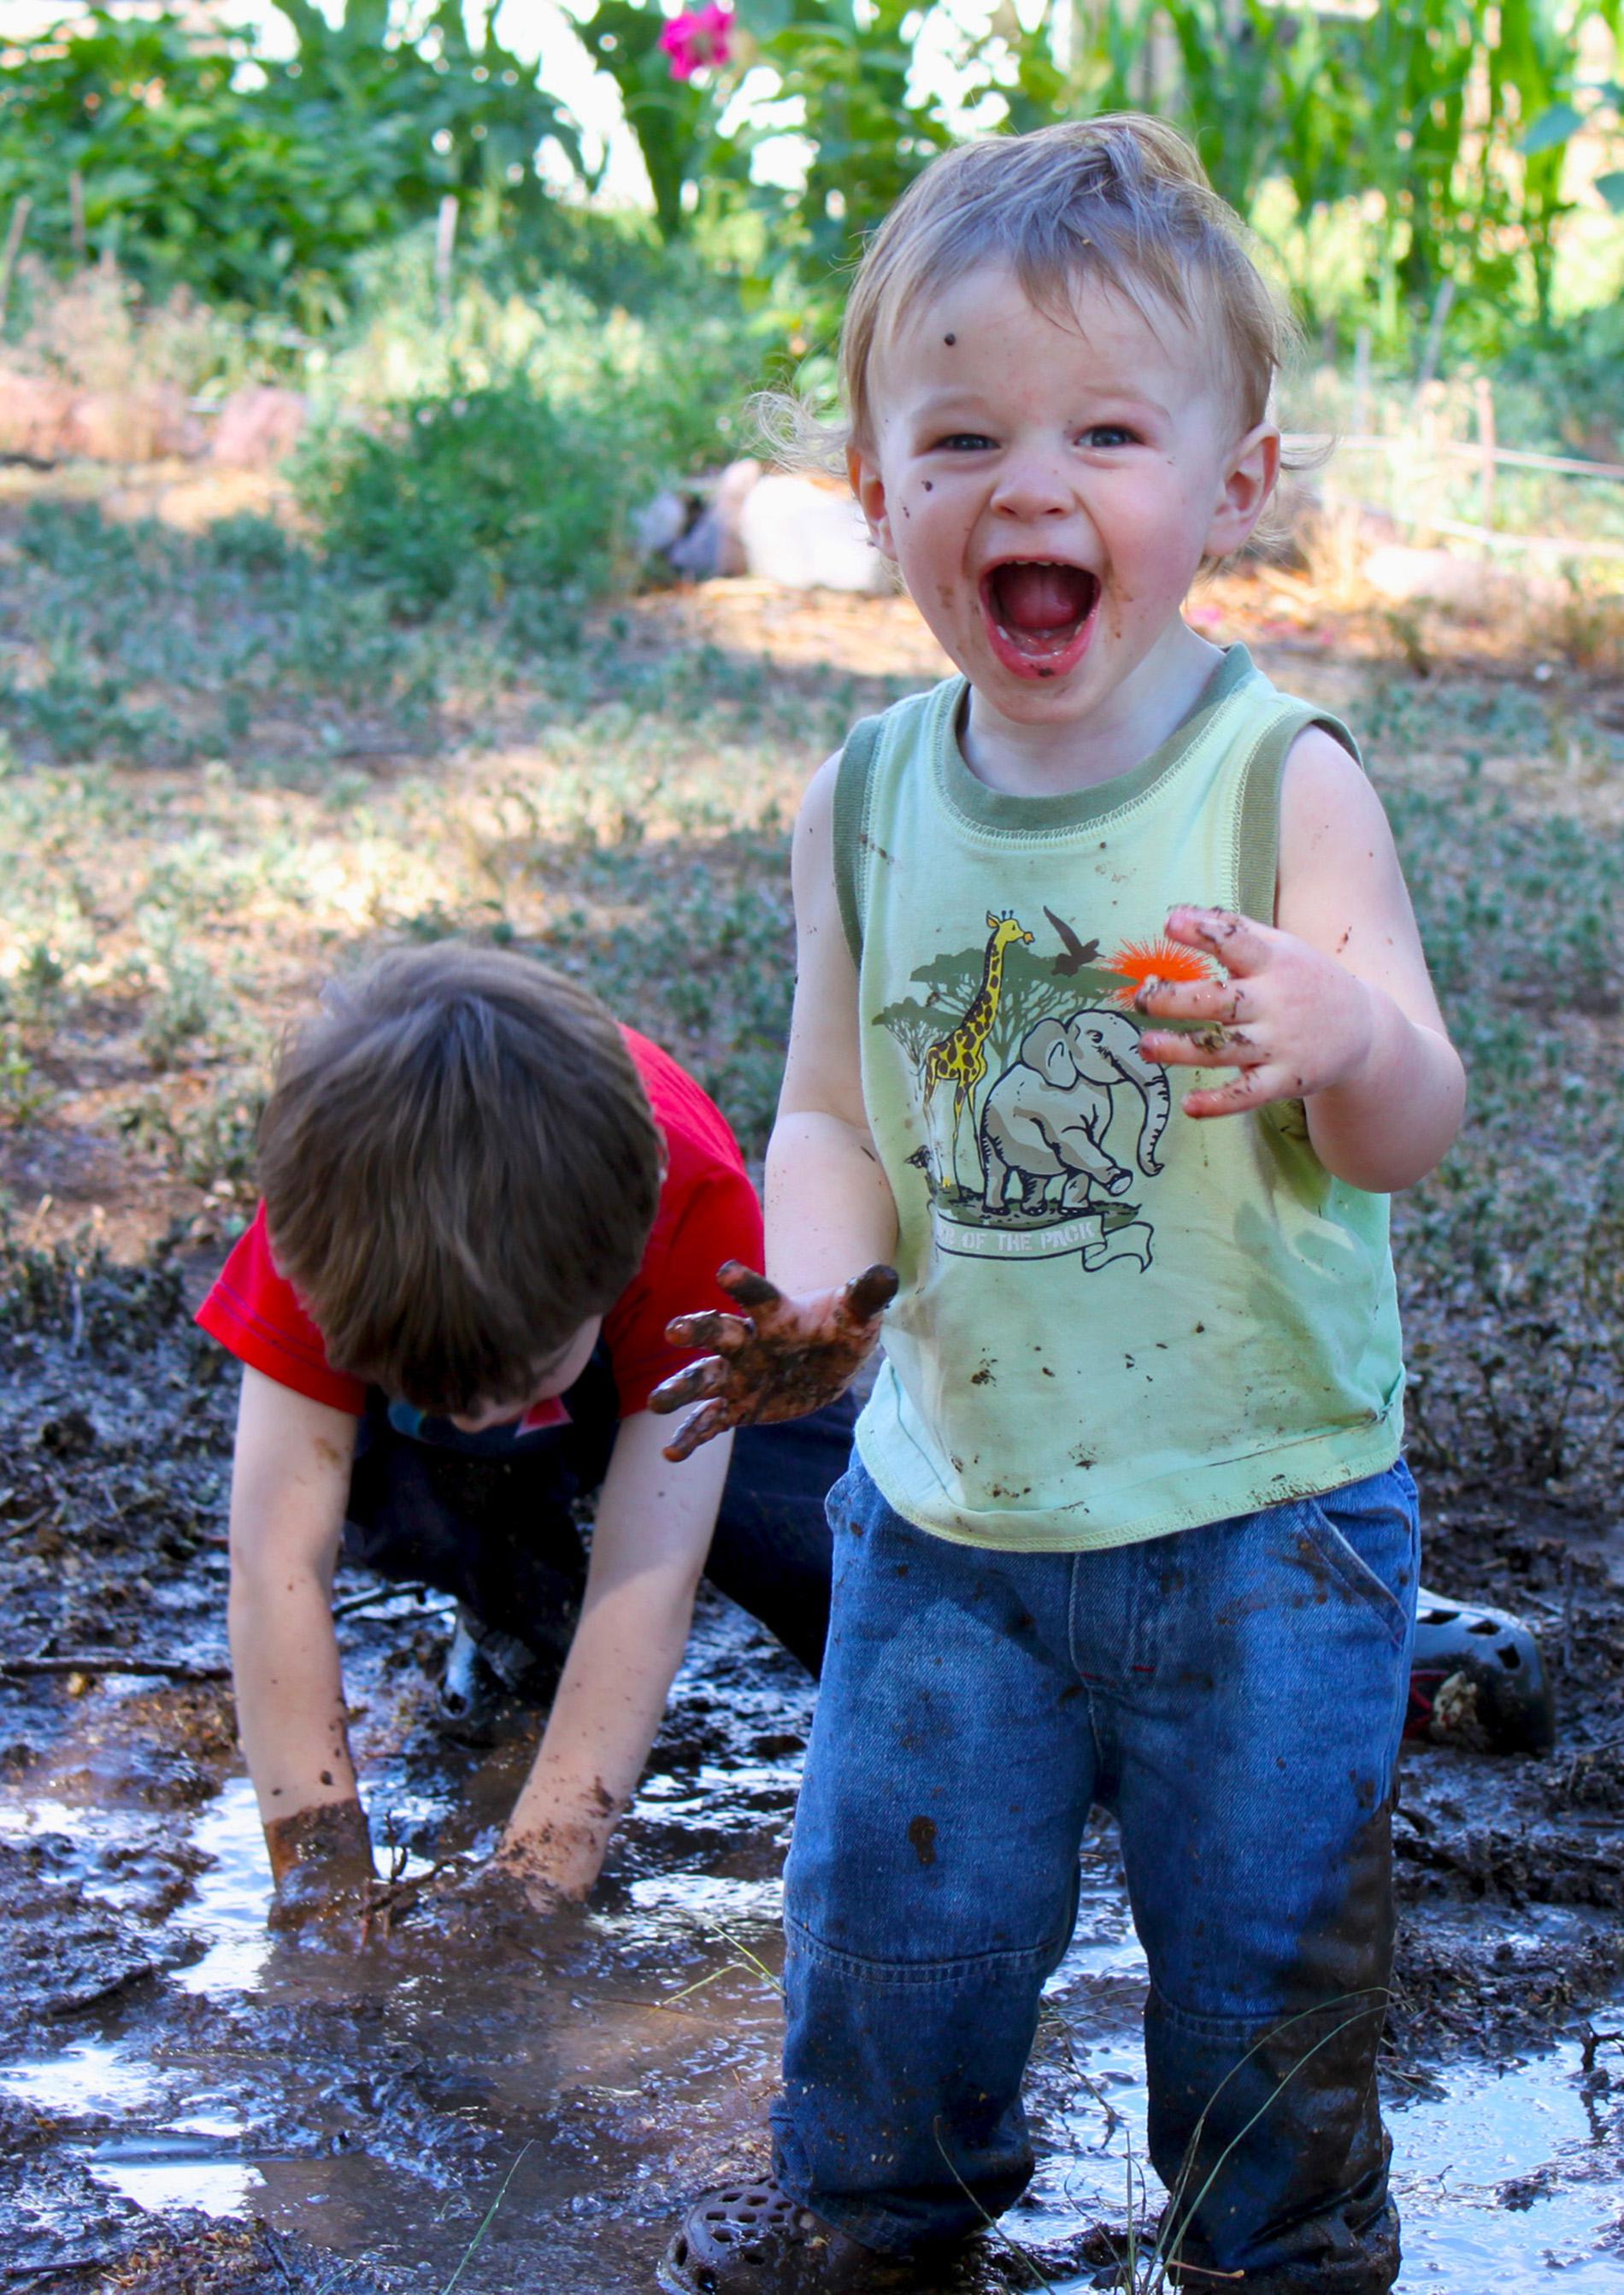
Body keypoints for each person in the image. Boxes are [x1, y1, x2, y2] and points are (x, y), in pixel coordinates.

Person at [650, 116, 1465, 2295]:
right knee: (893, 1951)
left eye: (1106, 429)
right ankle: (882, 2227)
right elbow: (829, 1109)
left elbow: (1414, 1115)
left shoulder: (1275, 777)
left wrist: (1340, 1035)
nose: (1031, 485)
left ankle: (1280, 2258)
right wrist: (820, 1278)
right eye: (963, 433)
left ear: (1232, 485)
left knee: (1259, 1989)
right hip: (951, 1527)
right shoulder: (862, 797)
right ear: (871, 481)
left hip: (1266, 1528)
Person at [196, 941, 853, 1932]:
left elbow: (652, 1572)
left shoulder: (687, 1213)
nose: (480, 1422)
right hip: (481, 1331)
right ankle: (516, 1604)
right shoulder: (330, 1220)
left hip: (672, 1344)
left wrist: (536, 1880)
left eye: (510, 1392)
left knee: (822, 1554)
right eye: (452, 1399)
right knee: (427, 1489)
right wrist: (320, 1881)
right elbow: (276, 1557)